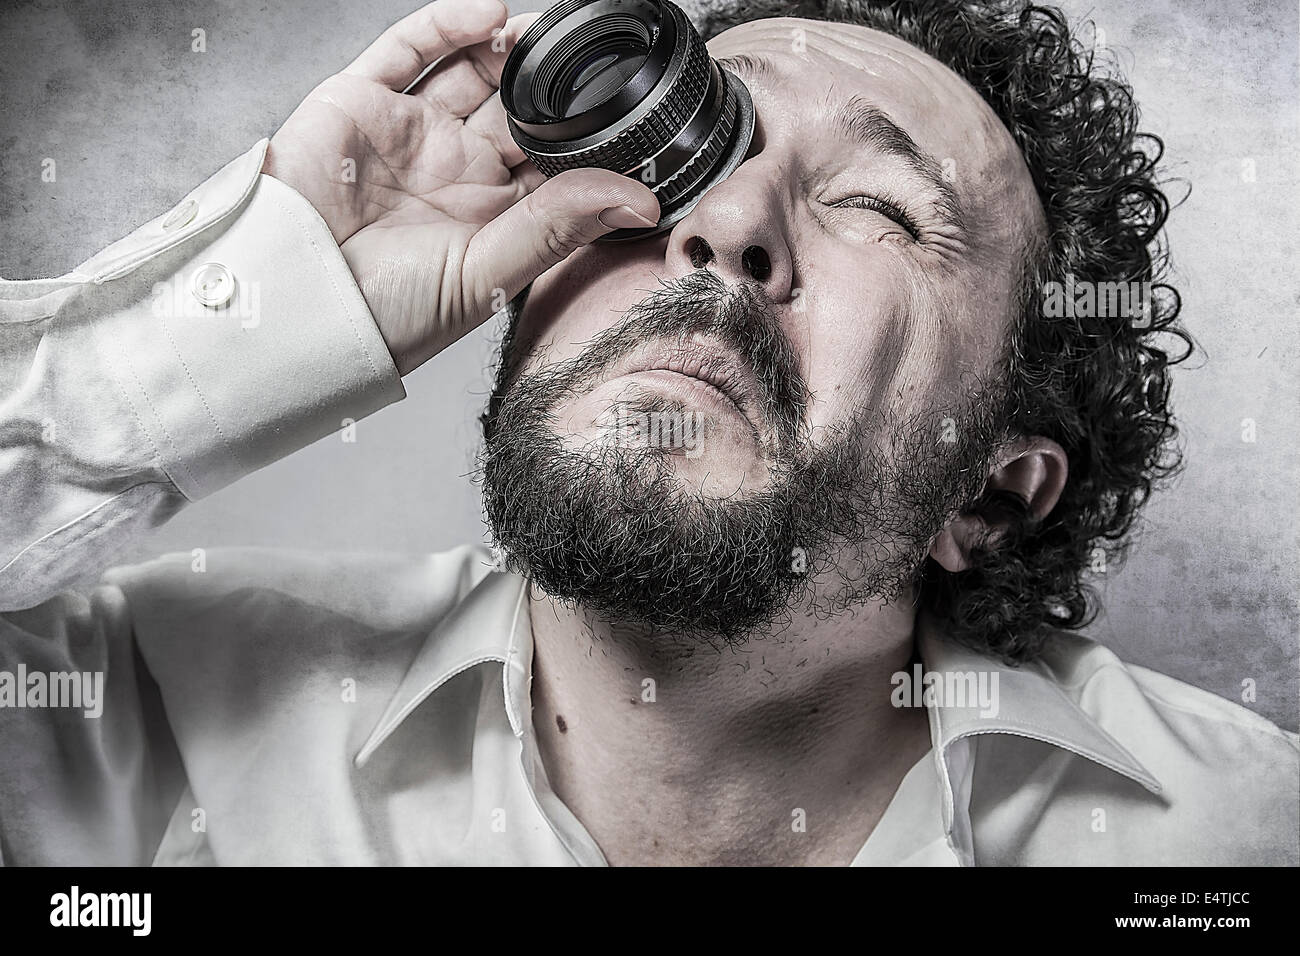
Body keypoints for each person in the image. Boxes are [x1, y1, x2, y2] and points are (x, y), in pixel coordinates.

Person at [1, 0, 1294, 866]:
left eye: (885, 212)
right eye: (692, 150)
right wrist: (276, 293)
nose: (724, 227)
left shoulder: (1234, 833)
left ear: (991, 498)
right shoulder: (155, 718)